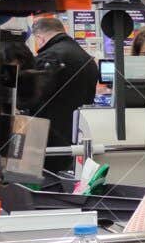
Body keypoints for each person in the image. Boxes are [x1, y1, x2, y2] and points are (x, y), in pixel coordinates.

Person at [27, 16, 99, 151]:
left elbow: (34, 98)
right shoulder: (86, 57)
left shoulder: (48, 56)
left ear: (39, 37)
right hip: (79, 132)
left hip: (50, 136)